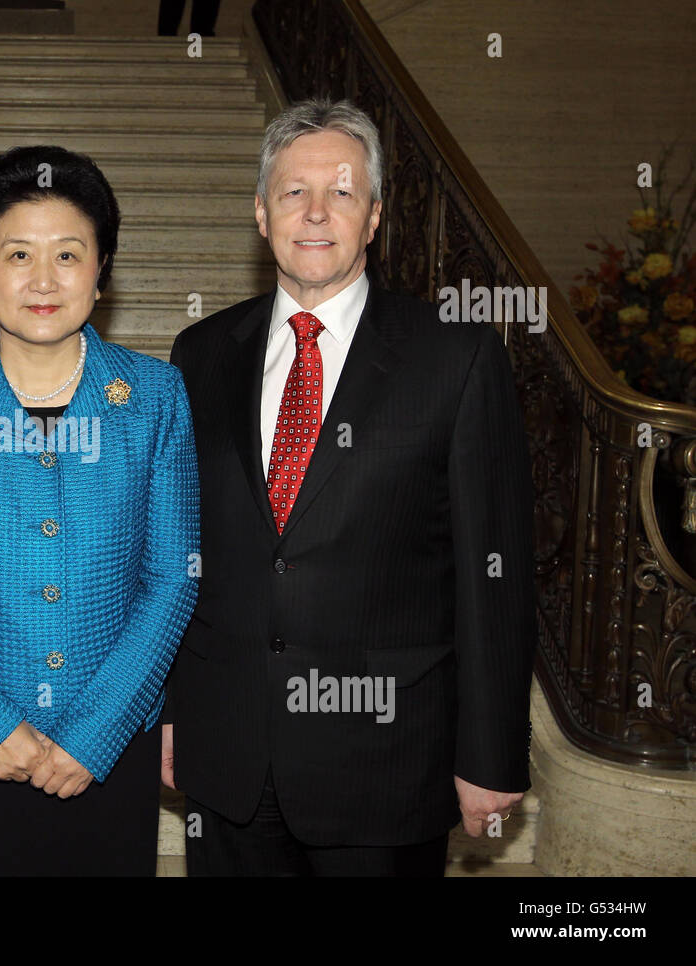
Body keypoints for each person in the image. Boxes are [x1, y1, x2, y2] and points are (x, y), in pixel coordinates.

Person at [163, 98, 535, 876]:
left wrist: (492, 753)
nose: (316, 211)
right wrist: (172, 717)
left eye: (342, 191)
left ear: (373, 218)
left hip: (386, 767)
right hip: (229, 759)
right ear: (261, 214)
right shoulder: (200, 354)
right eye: (294, 192)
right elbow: (182, 554)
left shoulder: (456, 357)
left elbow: (495, 577)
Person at [0, 145, 199, 876]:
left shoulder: (154, 398)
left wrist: (97, 731)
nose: (44, 280)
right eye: (18, 254)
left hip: (107, 750)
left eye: (69, 255)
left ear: (102, 269)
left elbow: (172, 578)